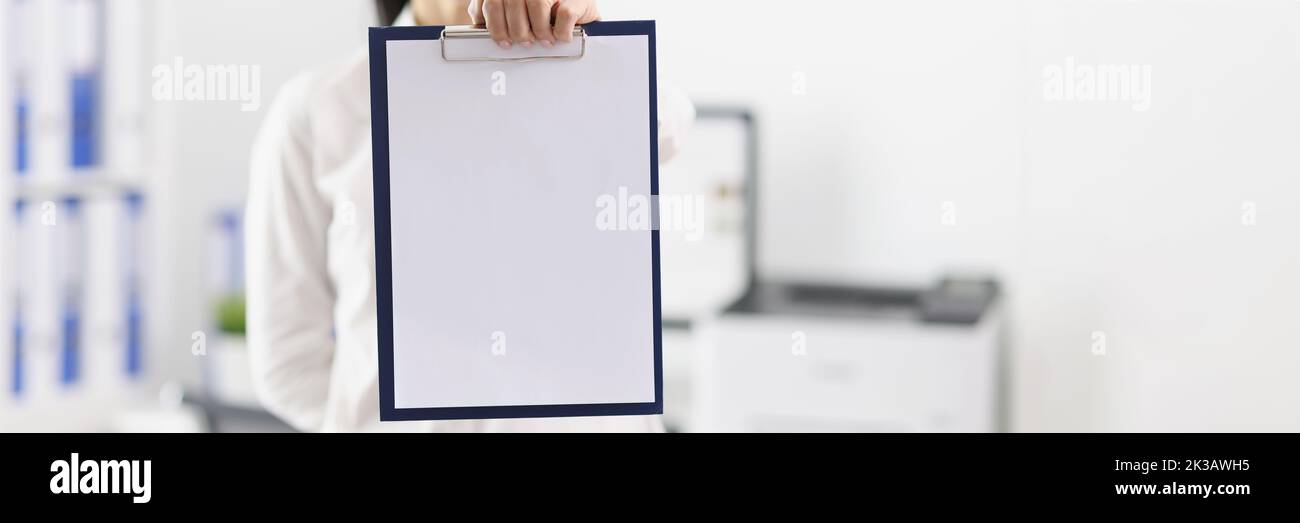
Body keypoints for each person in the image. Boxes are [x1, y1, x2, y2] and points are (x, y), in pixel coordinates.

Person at [245, 0, 694, 432]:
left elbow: (669, 127)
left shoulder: (581, 64)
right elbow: (288, 361)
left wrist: (594, 48)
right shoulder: (321, 107)